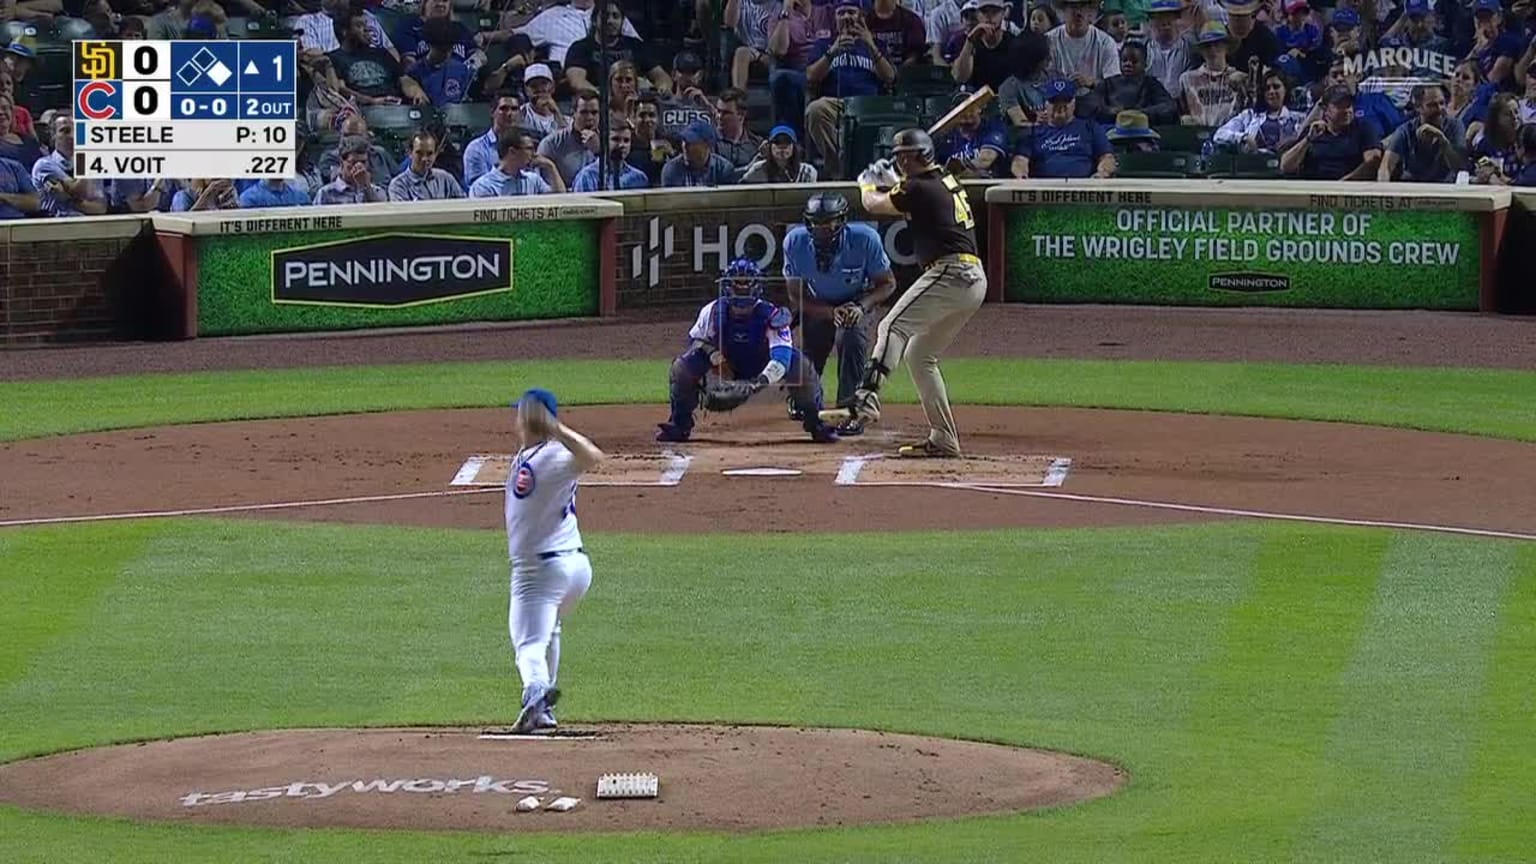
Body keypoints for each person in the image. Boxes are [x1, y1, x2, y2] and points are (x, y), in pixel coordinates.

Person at [837, 128, 987, 459]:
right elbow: (908, 202)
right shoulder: (942, 179)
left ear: (921, 156)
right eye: (900, 156)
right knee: (919, 356)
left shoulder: (918, 186)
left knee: (892, 327)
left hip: (951, 272)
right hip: (971, 281)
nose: (902, 160)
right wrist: (890, 179)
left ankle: (867, 394)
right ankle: (944, 437)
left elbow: (873, 204)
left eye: (907, 156)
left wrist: (865, 182)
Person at [503, 388, 605, 735]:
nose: (517, 419)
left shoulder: (555, 455)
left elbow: (593, 457)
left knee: (528, 644)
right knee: (549, 629)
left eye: (522, 413)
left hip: (541, 570)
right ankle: (542, 712)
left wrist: (556, 427)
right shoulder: (530, 452)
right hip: (570, 568)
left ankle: (536, 692)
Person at [655, 259, 840, 444]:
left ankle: (816, 423)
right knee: (681, 368)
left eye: (746, 284)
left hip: (763, 367)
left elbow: (781, 360)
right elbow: (695, 341)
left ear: (757, 286)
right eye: (737, 284)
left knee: (801, 367)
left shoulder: (773, 316)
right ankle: (679, 424)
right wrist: (713, 355)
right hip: (727, 363)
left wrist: (755, 385)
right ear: (727, 286)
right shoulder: (712, 311)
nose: (741, 290)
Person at [781, 192, 897, 433]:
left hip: (857, 300)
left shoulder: (865, 239)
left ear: (841, 220)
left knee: (851, 338)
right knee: (812, 346)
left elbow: (887, 284)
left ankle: (850, 408)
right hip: (818, 301)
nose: (822, 227)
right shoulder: (795, 242)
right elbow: (796, 296)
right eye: (816, 222)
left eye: (829, 221)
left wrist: (861, 306)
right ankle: (803, 397)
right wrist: (829, 312)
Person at [805, 0, 898, 178]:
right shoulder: (824, 44)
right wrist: (832, 51)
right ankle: (840, 169)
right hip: (835, 104)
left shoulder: (875, 43)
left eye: (851, 12)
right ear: (835, 18)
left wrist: (870, 45)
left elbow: (890, 77)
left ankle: (855, 168)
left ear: (860, 16)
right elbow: (811, 77)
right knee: (815, 110)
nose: (846, 17)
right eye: (841, 13)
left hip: (869, 105)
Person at [1010, 78, 1116, 178]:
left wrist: (1102, 173)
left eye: (1066, 101)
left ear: (1074, 103)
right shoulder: (1033, 133)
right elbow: (1020, 160)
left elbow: (1107, 157)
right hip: (1044, 188)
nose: (1060, 106)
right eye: (1054, 102)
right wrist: (1022, 175)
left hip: (1083, 186)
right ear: (1045, 104)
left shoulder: (1091, 127)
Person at [1280, 84, 1382, 179]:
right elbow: (1286, 167)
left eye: (1349, 105)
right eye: (1340, 106)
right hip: (1315, 189)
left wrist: (1342, 184)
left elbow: (1373, 162)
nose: (1347, 110)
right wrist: (1307, 140)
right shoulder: (1314, 130)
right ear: (1325, 109)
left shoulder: (1364, 128)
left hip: (1348, 189)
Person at [1377, 84, 1468, 183]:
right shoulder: (1406, 131)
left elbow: (1460, 167)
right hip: (1412, 186)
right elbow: (1386, 167)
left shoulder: (1455, 126)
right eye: (1432, 105)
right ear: (1418, 107)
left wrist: (1443, 140)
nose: (1439, 109)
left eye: (1442, 103)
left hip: (1445, 188)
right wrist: (1383, 190)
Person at [1212, 69, 1306, 152]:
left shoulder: (1298, 118)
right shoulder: (1249, 116)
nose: (1271, 91)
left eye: (1276, 86)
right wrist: (1243, 138)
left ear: (1285, 89)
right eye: (1267, 88)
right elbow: (1219, 134)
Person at [1087, 40, 1177, 125]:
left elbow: (1168, 107)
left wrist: (1137, 114)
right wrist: (1109, 111)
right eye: (1124, 60)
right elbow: (1091, 105)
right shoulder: (1107, 83)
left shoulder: (1151, 84)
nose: (1128, 64)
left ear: (1145, 64)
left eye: (1134, 61)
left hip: (1143, 129)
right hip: (1110, 129)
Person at [1180, 21, 1246, 128]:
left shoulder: (1241, 78)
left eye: (1217, 44)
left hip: (1231, 136)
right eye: (1207, 46)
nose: (1212, 50)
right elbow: (1181, 112)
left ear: (1226, 47)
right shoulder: (1187, 79)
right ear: (1201, 51)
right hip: (1198, 136)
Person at [1046, 0, 1120, 89]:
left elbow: (1114, 84)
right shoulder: (1049, 40)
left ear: (1090, 11)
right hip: (1057, 98)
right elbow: (1041, 80)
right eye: (1074, 7)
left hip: (1095, 98)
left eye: (1083, 7)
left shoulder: (1106, 42)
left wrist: (1091, 82)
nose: (1079, 13)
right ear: (1064, 10)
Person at [472, 129, 567, 196]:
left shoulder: (533, 180)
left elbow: (560, 200)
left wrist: (551, 167)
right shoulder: (484, 186)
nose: (534, 154)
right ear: (512, 152)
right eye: (529, 149)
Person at [570, 120, 650, 190]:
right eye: (616, 139)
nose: (622, 145)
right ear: (604, 141)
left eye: (626, 140)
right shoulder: (587, 177)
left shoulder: (639, 178)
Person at [389, 130, 466, 200]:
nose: (424, 158)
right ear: (409, 153)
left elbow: (464, 206)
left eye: (429, 154)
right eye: (419, 153)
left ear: (436, 154)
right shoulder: (398, 186)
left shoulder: (446, 179)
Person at [660, 120, 738, 186]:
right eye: (684, 141)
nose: (685, 146)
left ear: (707, 145)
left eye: (691, 141)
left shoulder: (724, 169)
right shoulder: (671, 169)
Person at [1142, 0, 1193, 97]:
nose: (1165, 23)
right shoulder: (1143, 49)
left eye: (1170, 16)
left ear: (1178, 19)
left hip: (1183, 104)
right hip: (1151, 104)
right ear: (1150, 22)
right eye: (1159, 18)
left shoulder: (1191, 49)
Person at [740, 124, 821, 182]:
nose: (782, 147)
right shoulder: (758, 169)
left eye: (787, 142)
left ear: (795, 147)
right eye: (777, 142)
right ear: (769, 146)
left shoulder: (808, 172)